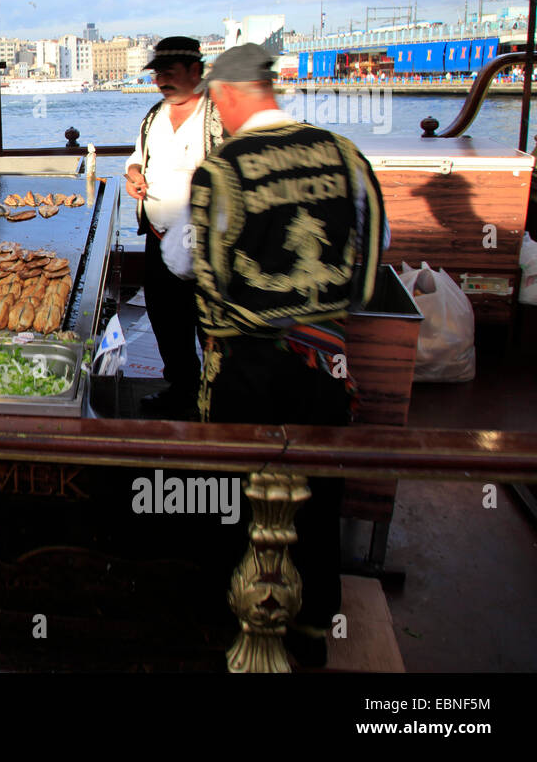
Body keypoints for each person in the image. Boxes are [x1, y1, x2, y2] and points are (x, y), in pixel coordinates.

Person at [165, 42, 388, 667]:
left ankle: (236, 632)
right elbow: (373, 255)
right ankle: (313, 635)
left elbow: (183, 260)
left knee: (237, 500)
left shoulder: (222, 171)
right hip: (326, 364)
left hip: (246, 373)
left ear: (229, 94)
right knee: (318, 500)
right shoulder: (346, 156)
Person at [123, 36, 224, 418]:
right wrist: (134, 174)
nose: (160, 80)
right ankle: (182, 390)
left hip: (208, 245)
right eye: (157, 73)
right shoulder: (154, 116)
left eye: (169, 72)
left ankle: (217, 401)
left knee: (212, 325)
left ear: (195, 71)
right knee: (167, 322)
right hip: (160, 239)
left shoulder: (217, 116)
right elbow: (138, 158)